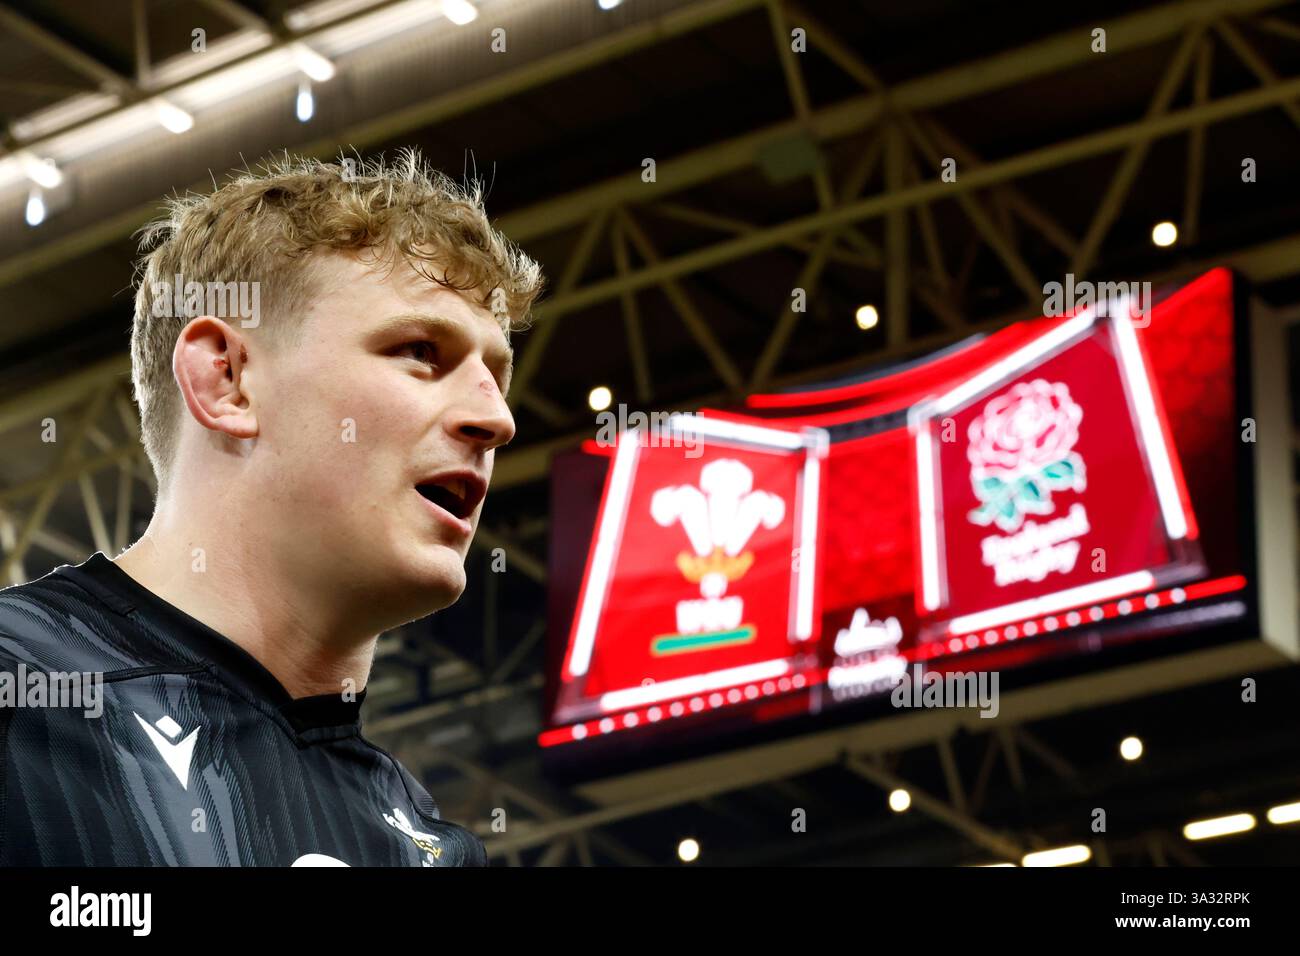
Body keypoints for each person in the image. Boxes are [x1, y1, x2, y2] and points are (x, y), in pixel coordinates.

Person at [0, 149, 545, 866]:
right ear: (227, 381)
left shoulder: (433, 849)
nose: (497, 419)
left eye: (496, 375)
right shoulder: (22, 693)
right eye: (420, 351)